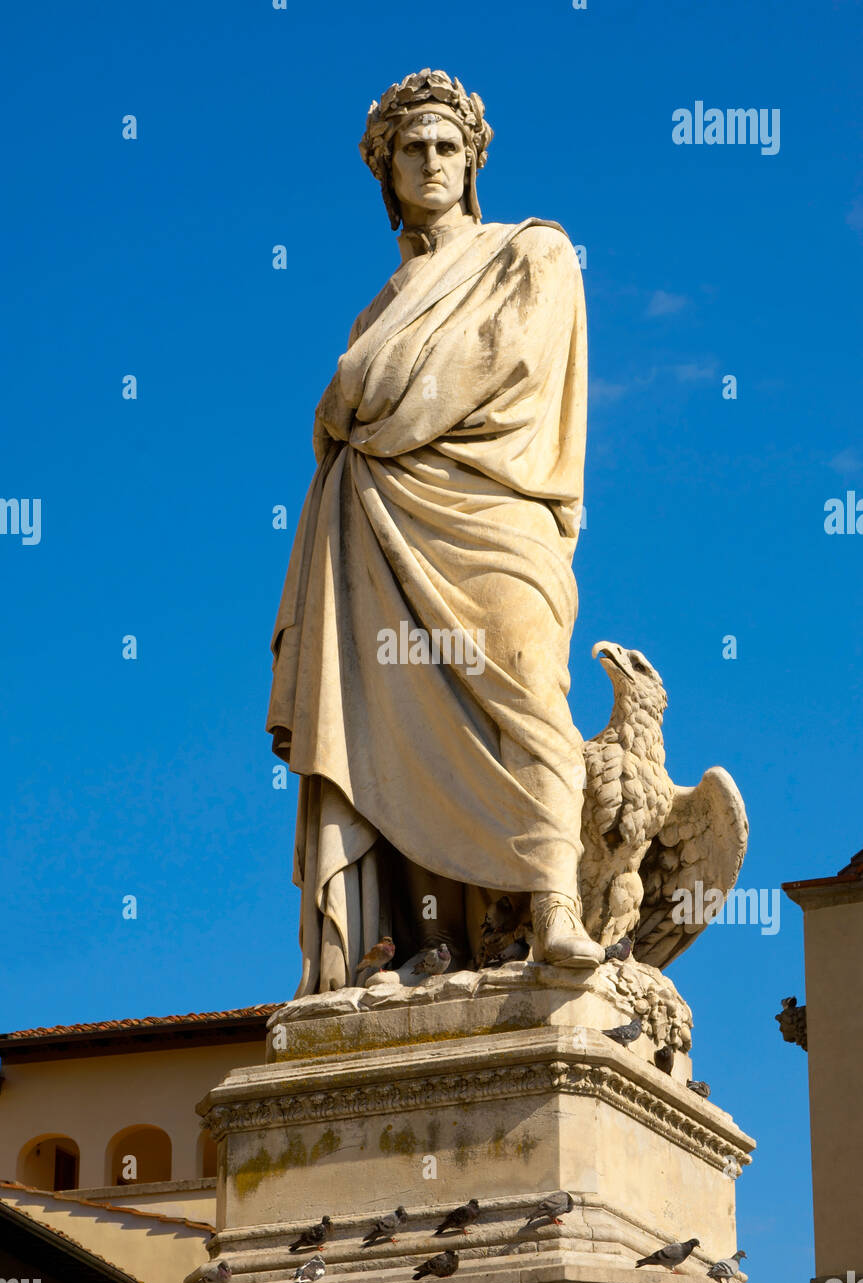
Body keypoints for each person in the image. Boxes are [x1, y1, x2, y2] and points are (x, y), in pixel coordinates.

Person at [268, 69, 600, 995]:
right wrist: (358, 396)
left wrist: (352, 397)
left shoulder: (529, 253)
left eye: (447, 146)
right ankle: (427, 944)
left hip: (496, 510)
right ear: (386, 171)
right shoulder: (376, 308)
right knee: (391, 722)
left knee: (530, 686)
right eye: (411, 148)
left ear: (473, 160)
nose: (431, 162)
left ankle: (554, 907)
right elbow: (363, 395)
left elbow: (506, 364)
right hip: (380, 522)